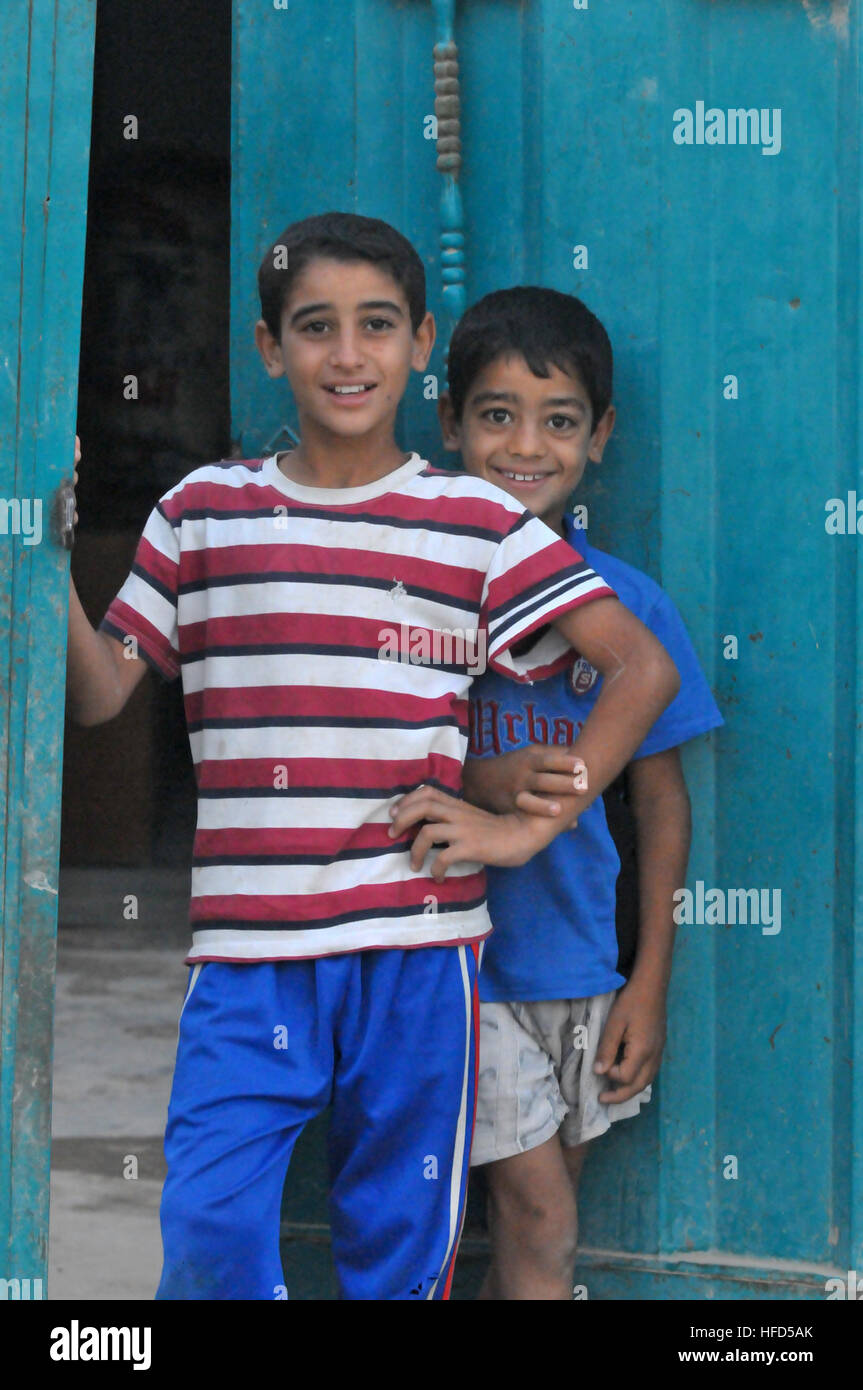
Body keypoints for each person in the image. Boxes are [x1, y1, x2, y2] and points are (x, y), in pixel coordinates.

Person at [65, 214, 679, 1301]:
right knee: (208, 1227)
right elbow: (103, 690)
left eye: (376, 326)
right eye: (315, 328)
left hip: (417, 952)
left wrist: (528, 821)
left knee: (401, 1250)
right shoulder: (199, 514)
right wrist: (39, 554)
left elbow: (639, 669)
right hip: (247, 958)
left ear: (418, 342)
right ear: (268, 347)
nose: (346, 355)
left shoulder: (476, 522)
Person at [439, 286, 723, 1300]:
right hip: (454, 968)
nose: (525, 445)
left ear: (597, 436)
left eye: (558, 420)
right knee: (539, 1213)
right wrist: (481, 778)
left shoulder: (627, 608)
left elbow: (659, 805)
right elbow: (362, 758)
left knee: (542, 1223)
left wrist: (646, 980)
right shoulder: (418, 591)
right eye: (495, 414)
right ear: (449, 423)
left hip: (582, 966)